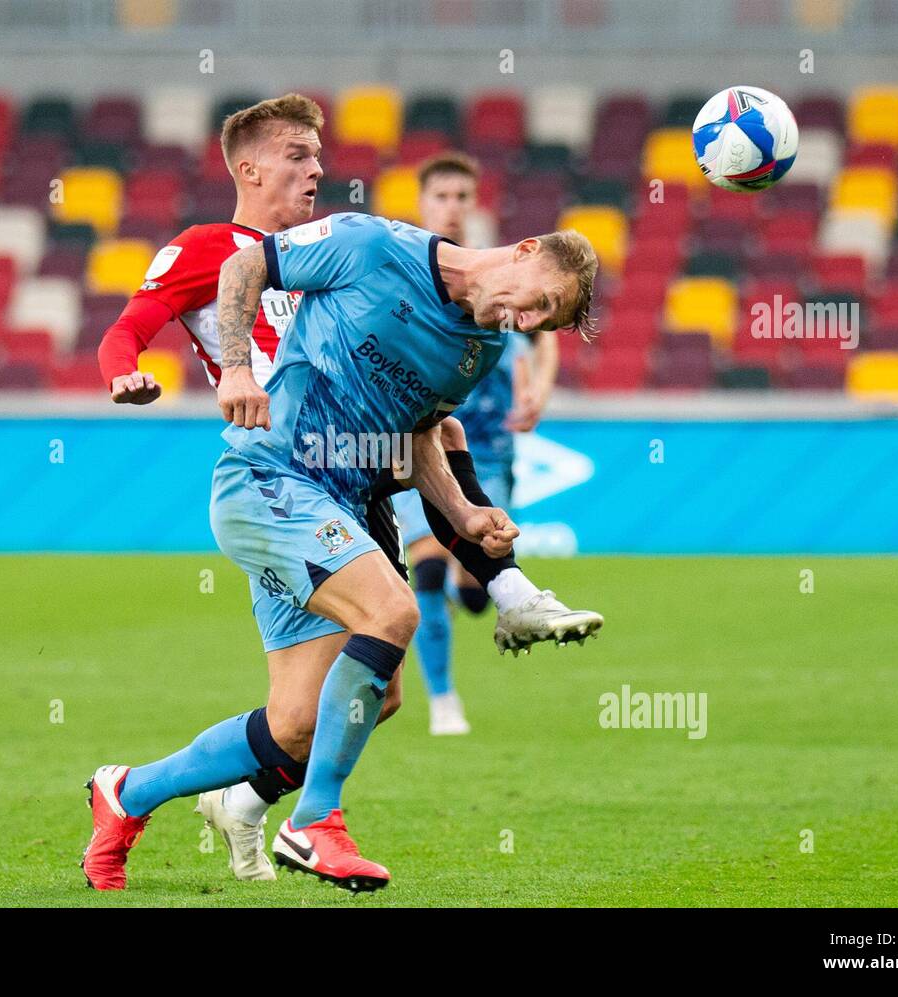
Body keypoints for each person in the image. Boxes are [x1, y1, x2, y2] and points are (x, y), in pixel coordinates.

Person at [88, 94, 599, 888]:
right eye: (536, 299)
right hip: (272, 476)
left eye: (544, 319)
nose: (525, 317)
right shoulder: (362, 245)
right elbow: (237, 269)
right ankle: (313, 821)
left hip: (347, 498)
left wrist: (462, 511)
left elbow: (422, 433)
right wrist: (230, 368)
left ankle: (127, 791)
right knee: (394, 612)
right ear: (525, 247)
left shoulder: (478, 346)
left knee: (319, 715)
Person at [393, 152, 562, 735]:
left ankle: (483, 595)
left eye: (462, 197)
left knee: (476, 580)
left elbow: (542, 334)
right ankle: (443, 700)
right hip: (423, 439)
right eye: (441, 196)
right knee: (429, 569)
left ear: (475, 203)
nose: (452, 207)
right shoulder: (407, 265)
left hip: (490, 446)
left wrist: (538, 388)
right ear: (423, 203)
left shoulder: (501, 268)